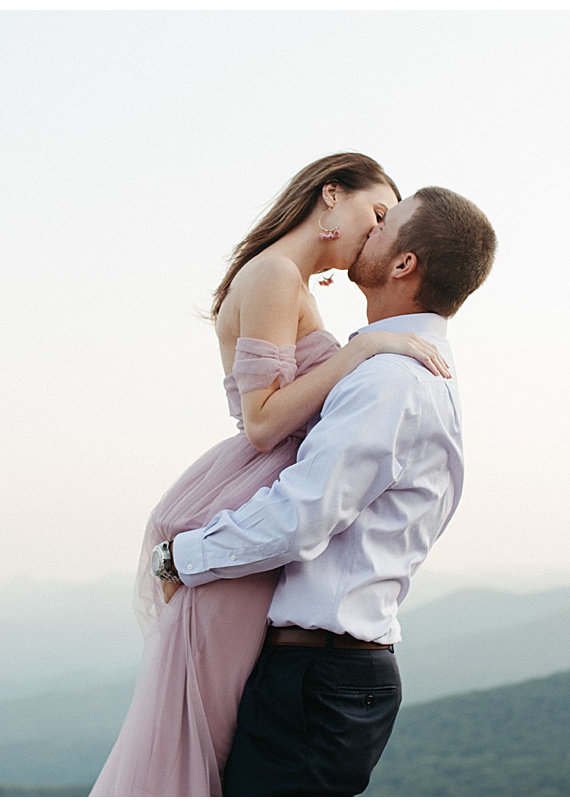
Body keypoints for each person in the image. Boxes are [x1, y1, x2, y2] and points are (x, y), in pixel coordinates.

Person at [89, 154, 450, 797]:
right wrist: (361, 349)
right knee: (213, 729)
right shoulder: (277, 275)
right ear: (331, 195)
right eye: (375, 214)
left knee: (225, 736)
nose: (376, 232)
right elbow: (260, 424)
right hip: (258, 493)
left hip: (274, 518)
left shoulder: (290, 282)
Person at [160, 185, 497, 796]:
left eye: (385, 222)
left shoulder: (391, 380)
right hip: (324, 673)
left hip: (320, 678)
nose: (370, 229)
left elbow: (300, 516)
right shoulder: (399, 369)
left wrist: (180, 558)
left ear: (403, 264)